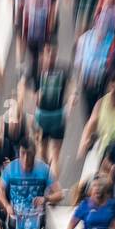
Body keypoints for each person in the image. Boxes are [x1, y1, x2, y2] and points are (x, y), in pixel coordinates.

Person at [33, 40, 75, 180]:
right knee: (42, 151)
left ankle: (52, 186)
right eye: (47, 54)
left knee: (55, 154)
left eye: (52, 54)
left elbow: (72, 85)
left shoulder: (63, 69)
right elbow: (22, 87)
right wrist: (33, 97)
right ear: (42, 54)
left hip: (57, 115)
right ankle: (47, 177)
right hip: (42, 116)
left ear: (56, 54)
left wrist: (70, 100)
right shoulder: (35, 69)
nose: (50, 58)